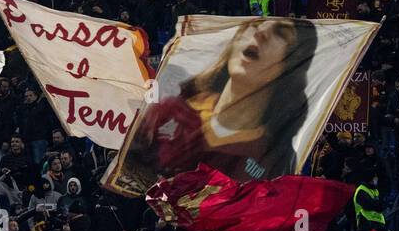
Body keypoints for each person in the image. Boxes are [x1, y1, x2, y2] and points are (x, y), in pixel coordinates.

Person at [114, 18, 318, 193]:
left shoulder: (274, 157)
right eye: (255, 26)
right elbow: (128, 182)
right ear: (235, 41)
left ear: (291, 67)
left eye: (280, 34)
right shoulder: (169, 110)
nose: (262, 33)